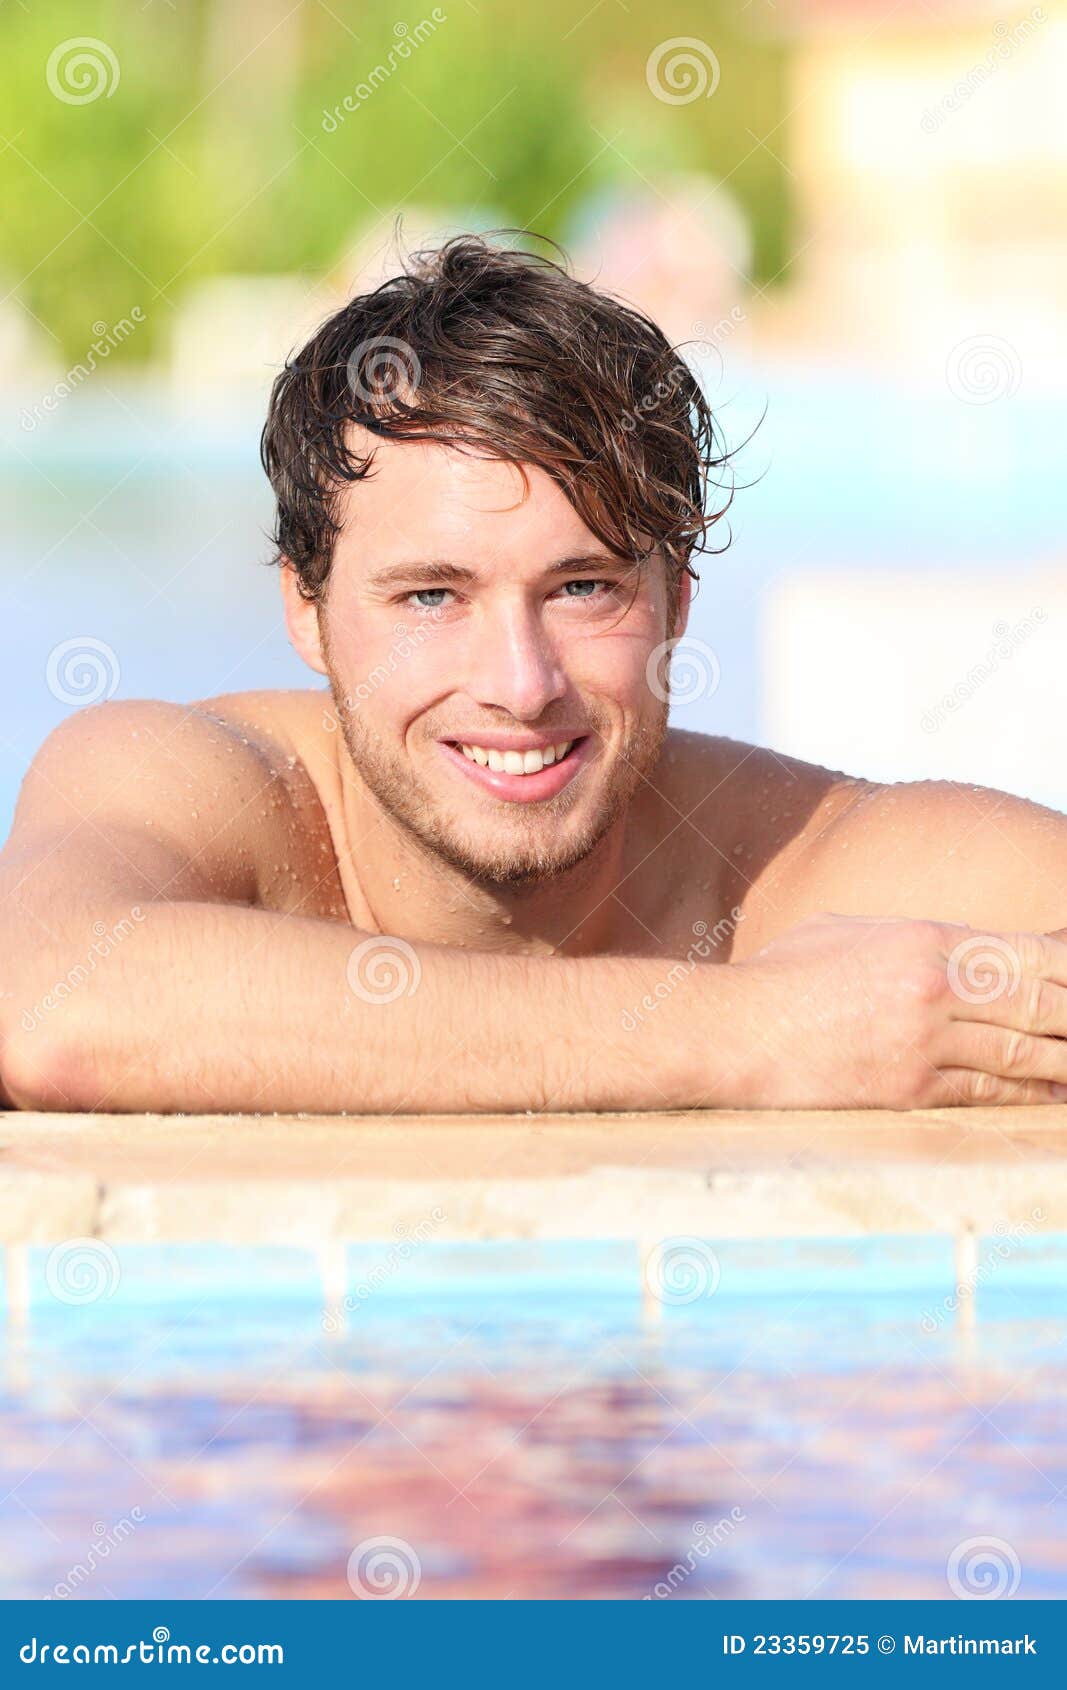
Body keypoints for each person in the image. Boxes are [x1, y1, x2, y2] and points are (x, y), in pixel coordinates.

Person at [4, 231, 1067, 1118]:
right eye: (430, 597)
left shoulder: (788, 873)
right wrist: (754, 1033)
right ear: (306, 610)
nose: (519, 684)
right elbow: (47, 1002)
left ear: (676, 600)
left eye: (582, 590)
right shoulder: (206, 786)